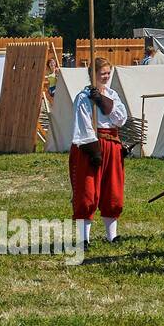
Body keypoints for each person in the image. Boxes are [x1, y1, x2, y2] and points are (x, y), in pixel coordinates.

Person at [69, 56, 128, 250]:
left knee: (113, 191)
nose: (106, 76)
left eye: (108, 73)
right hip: (91, 146)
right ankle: (83, 238)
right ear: (92, 75)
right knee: (87, 192)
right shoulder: (83, 97)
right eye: (102, 73)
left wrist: (102, 100)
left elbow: (120, 119)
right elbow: (83, 124)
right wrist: (93, 150)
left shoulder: (112, 95)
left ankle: (112, 235)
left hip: (112, 145)